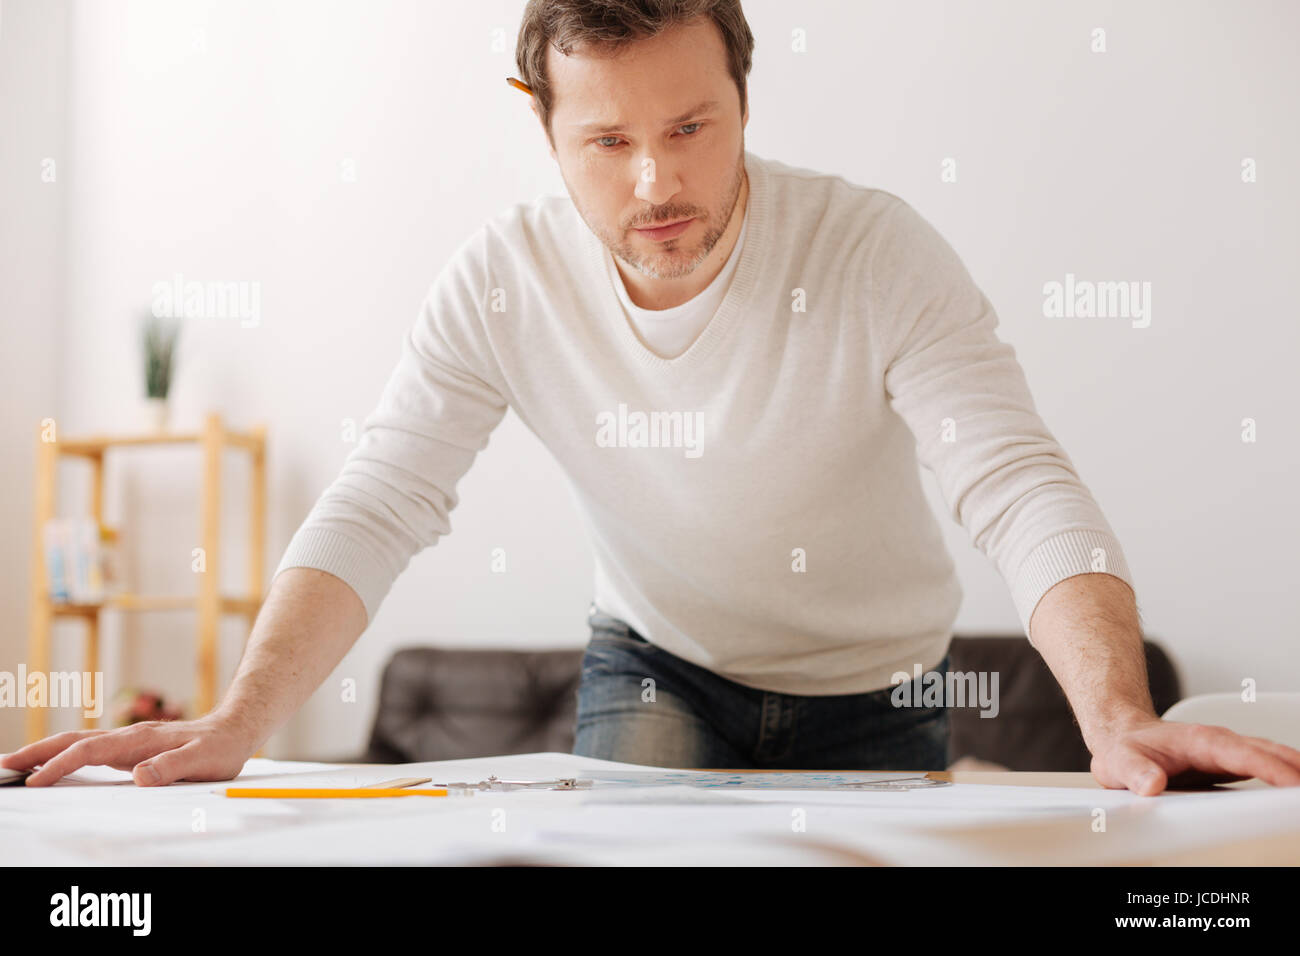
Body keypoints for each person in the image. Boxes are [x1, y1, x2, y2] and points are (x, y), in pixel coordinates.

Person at [8, 0, 1299, 793]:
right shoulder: (500, 281)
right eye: (608, 142)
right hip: (659, 667)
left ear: (743, 95)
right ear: (545, 129)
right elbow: (383, 497)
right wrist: (241, 719)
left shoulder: (873, 249)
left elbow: (1015, 483)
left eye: (691, 128)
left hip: (885, 679)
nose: (654, 187)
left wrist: (1120, 717)